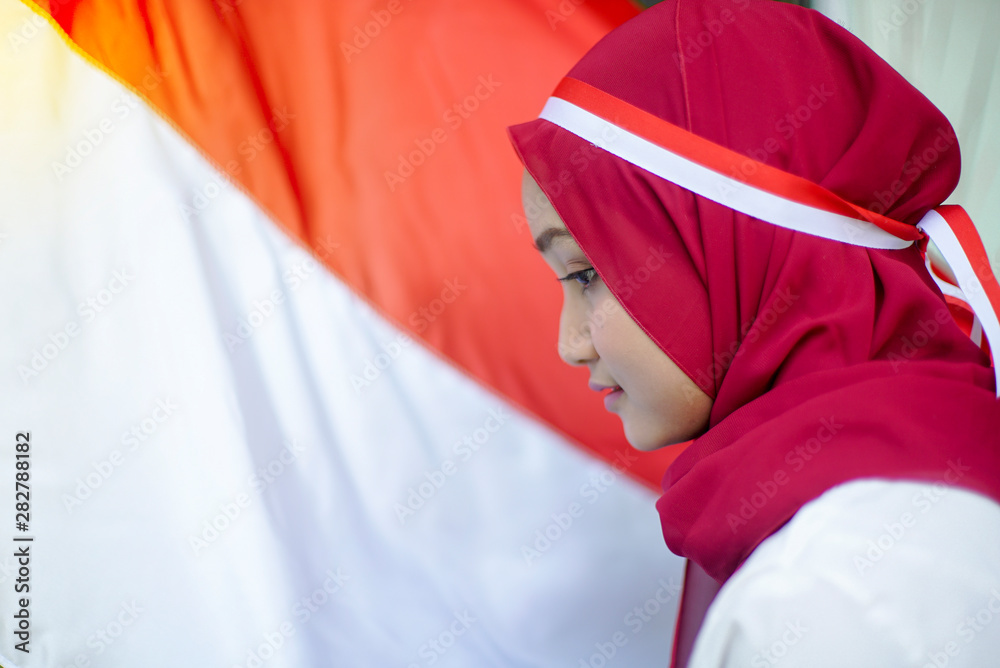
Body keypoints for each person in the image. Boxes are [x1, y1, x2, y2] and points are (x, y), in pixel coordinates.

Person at [507, 1, 1000, 666]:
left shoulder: (836, 597)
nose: (570, 343)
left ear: (736, 245)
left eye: (588, 272)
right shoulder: (891, 500)